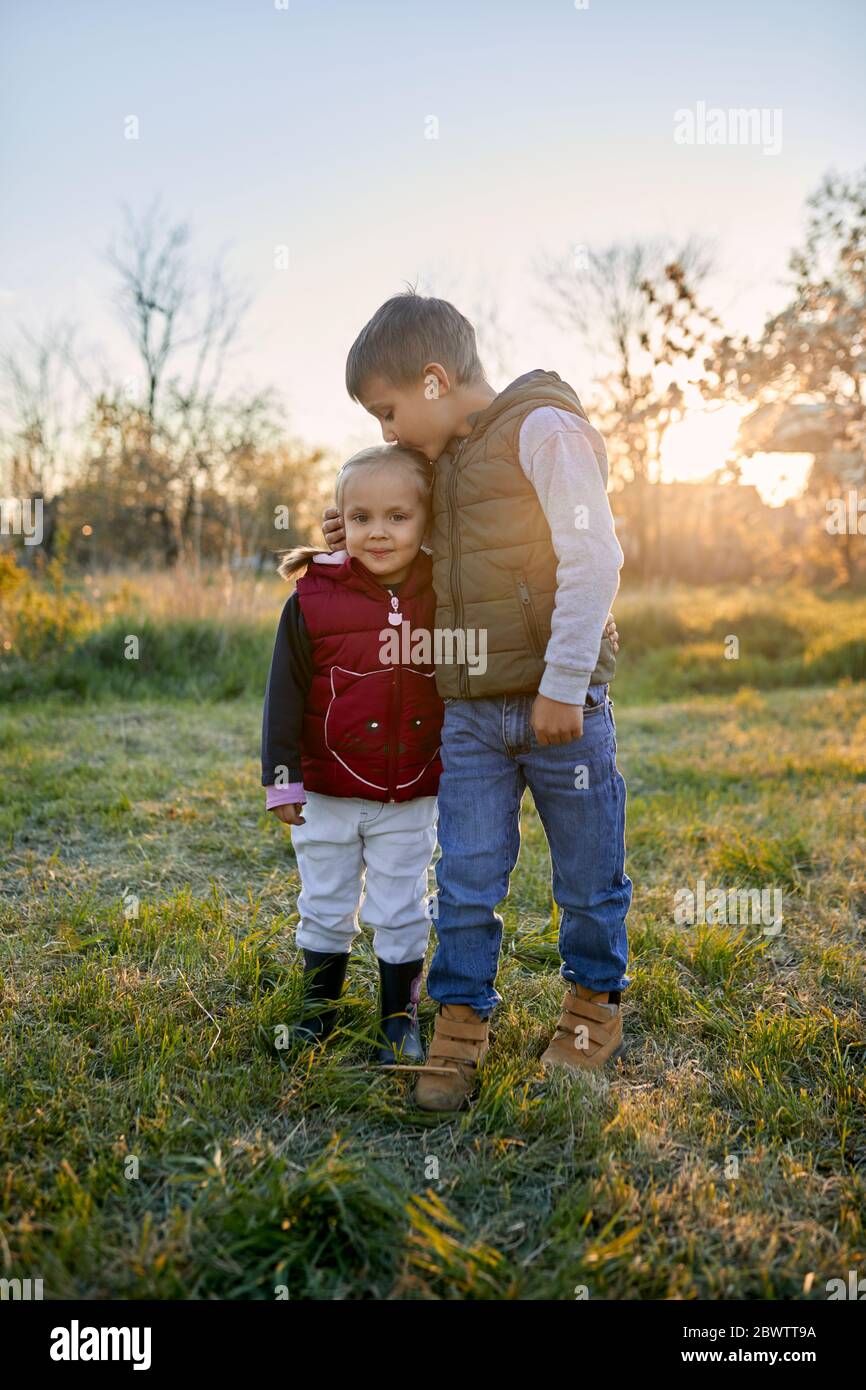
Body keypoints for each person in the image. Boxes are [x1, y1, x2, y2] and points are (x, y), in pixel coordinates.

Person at [322, 289, 631, 1112]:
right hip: (470, 719)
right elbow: (402, 517)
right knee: (464, 876)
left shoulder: (544, 430)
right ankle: (460, 1018)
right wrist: (350, 527)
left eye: (388, 411)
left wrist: (565, 681)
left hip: (560, 708)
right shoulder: (440, 463)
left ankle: (592, 1007)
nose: (386, 432)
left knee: (588, 874)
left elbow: (595, 557)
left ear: (431, 381)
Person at [262, 443, 443, 1065]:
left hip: (409, 791)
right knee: (325, 899)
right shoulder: (313, 598)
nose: (379, 532)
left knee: (401, 907)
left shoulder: (444, 593)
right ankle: (319, 1013)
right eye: (361, 517)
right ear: (339, 520)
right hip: (325, 794)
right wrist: (283, 780)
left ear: (427, 522)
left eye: (398, 517)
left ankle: (399, 1019)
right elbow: (282, 696)